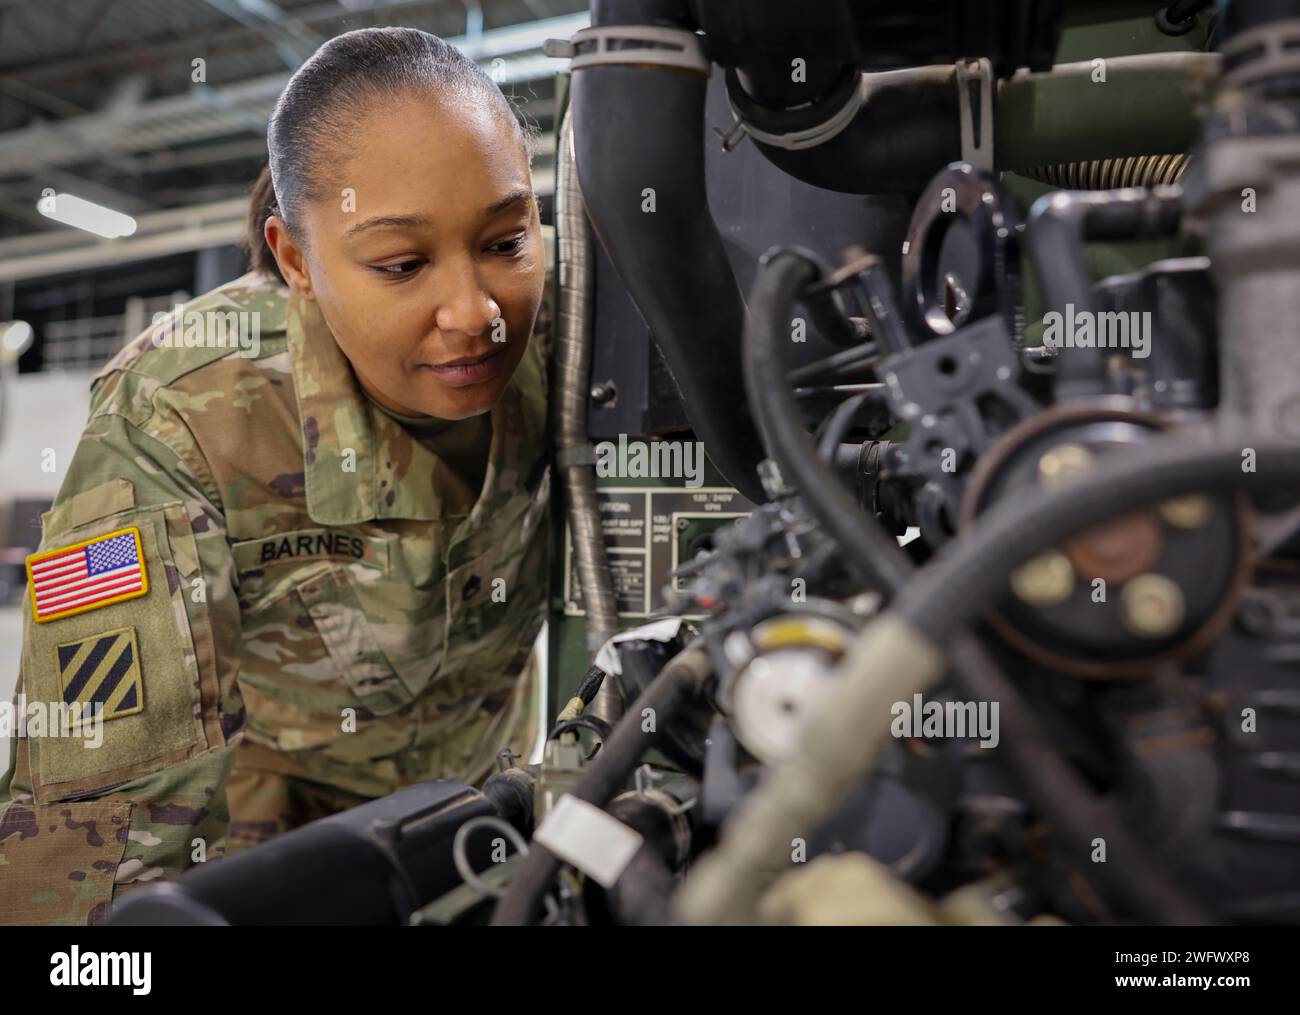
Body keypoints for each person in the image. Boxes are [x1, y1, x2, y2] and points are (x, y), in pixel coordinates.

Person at [0, 26, 553, 925]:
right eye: (403, 265)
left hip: (477, 812)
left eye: (505, 239)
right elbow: (94, 805)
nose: (476, 314)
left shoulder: (582, 338)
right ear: (296, 260)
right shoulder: (176, 412)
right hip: (270, 846)